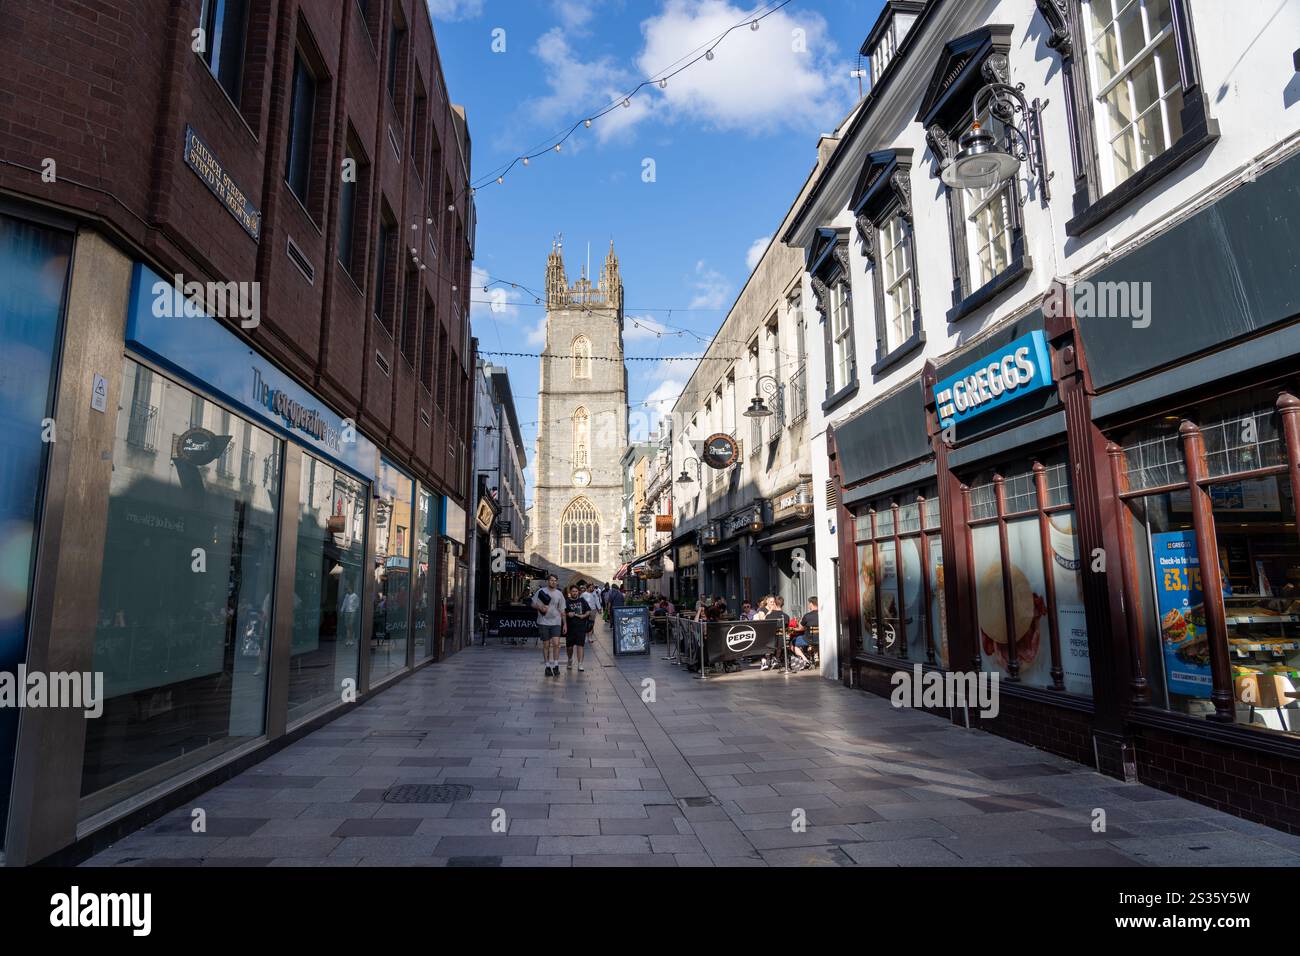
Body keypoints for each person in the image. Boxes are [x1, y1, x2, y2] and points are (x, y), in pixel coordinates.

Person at [531, 574, 566, 677]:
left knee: (556, 643)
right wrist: (539, 607)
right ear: (548, 581)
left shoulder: (559, 594)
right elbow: (532, 604)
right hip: (543, 621)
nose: (553, 582)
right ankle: (547, 666)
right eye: (551, 580)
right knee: (546, 645)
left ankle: (555, 665)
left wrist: (565, 624)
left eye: (555, 580)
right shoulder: (541, 592)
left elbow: (562, 610)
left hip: (556, 622)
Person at [564, 584, 591, 671]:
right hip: (570, 627)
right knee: (569, 647)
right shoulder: (566, 602)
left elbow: (588, 611)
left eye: (576, 591)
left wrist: (584, 615)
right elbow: (562, 613)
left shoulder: (582, 600)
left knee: (580, 645)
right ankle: (570, 659)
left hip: (581, 627)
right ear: (570, 592)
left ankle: (580, 664)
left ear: (578, 592)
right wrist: (568, 614)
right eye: (573, 591)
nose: (575, 593)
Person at [789, 596, 819, 671]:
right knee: (815, 642)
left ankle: (805, 660)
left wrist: (796, 626)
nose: (809, 605)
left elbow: (800, 628)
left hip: (809, 639)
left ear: (811, 604)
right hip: (821, 639)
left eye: (809, 604)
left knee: (792, 643)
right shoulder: (822, 614)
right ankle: (816, 656)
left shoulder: (807, 616)